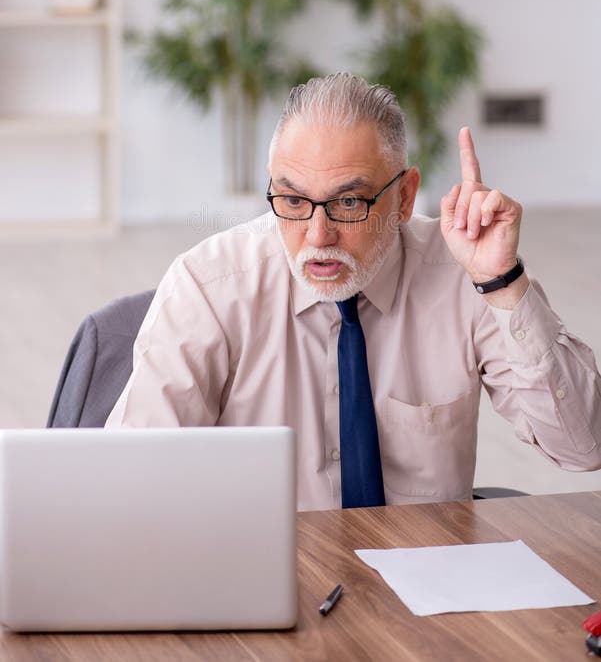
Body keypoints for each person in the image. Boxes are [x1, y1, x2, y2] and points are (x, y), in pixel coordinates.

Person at [106, 73, 601, 510]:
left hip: (424, 568)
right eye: (293, 200)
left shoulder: (462, 274)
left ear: (404, 197)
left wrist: (503, 284)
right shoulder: (208, 288)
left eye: (348, 202)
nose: (318, 235)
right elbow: (129, 483)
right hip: (263, 569)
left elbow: (584, 448)